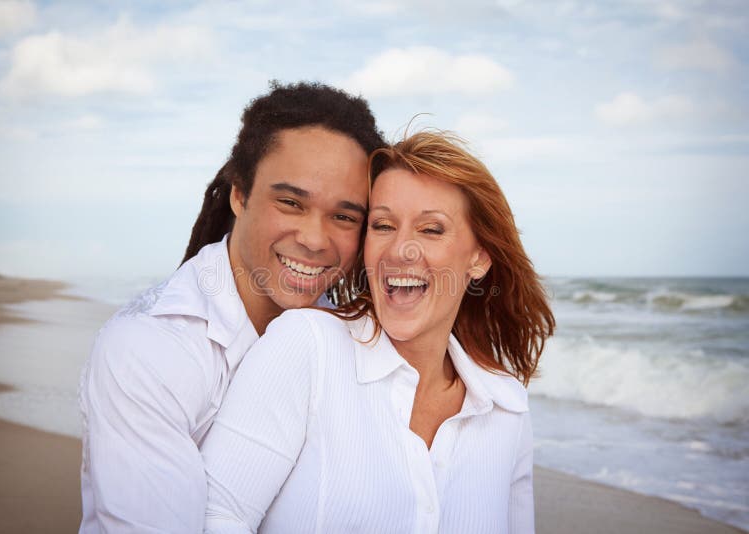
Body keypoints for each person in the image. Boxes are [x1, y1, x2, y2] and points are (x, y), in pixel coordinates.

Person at [201, 131, 555, 533]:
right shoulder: (308, 346)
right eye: (383, 225)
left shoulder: (506, 406)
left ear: (479, 257)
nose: (400, 249)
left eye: (431, 230)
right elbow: (219, 515)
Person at [78, 81, 385, 533]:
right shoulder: (148, 350)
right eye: (291, 202)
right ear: (240, 196)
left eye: (343, 216)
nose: (314, 239)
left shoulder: (352, 339)